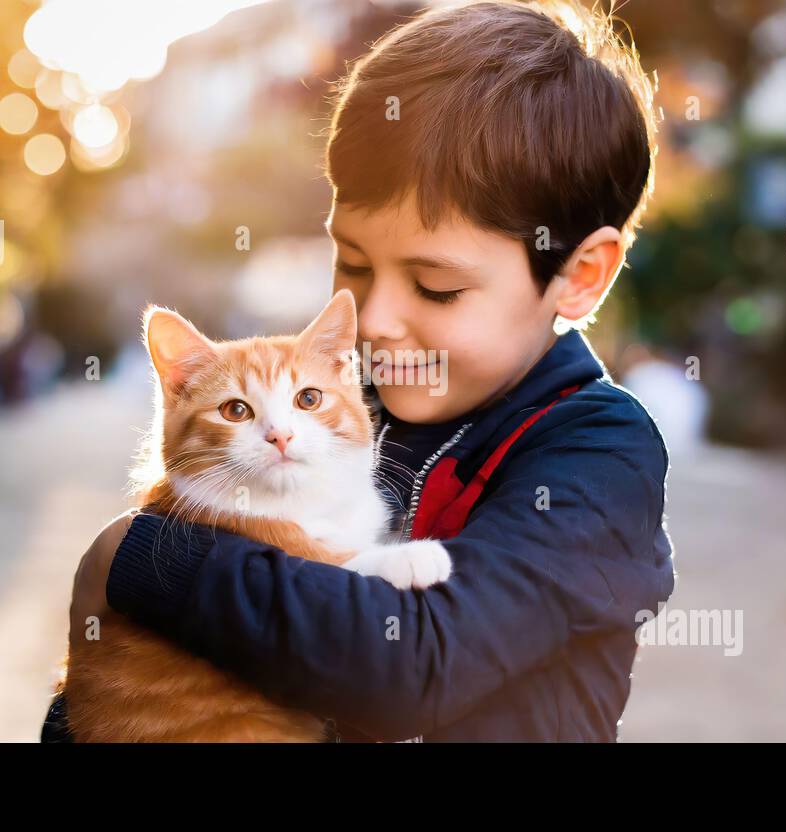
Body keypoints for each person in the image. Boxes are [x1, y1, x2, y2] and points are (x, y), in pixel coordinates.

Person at [46, 0, 674, 742]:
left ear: (579, 274)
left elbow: (415, 664)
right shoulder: (341, 407)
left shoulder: (598, 449)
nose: (373, 319)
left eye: (436, 286)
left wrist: (140, 558)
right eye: (351, 263)